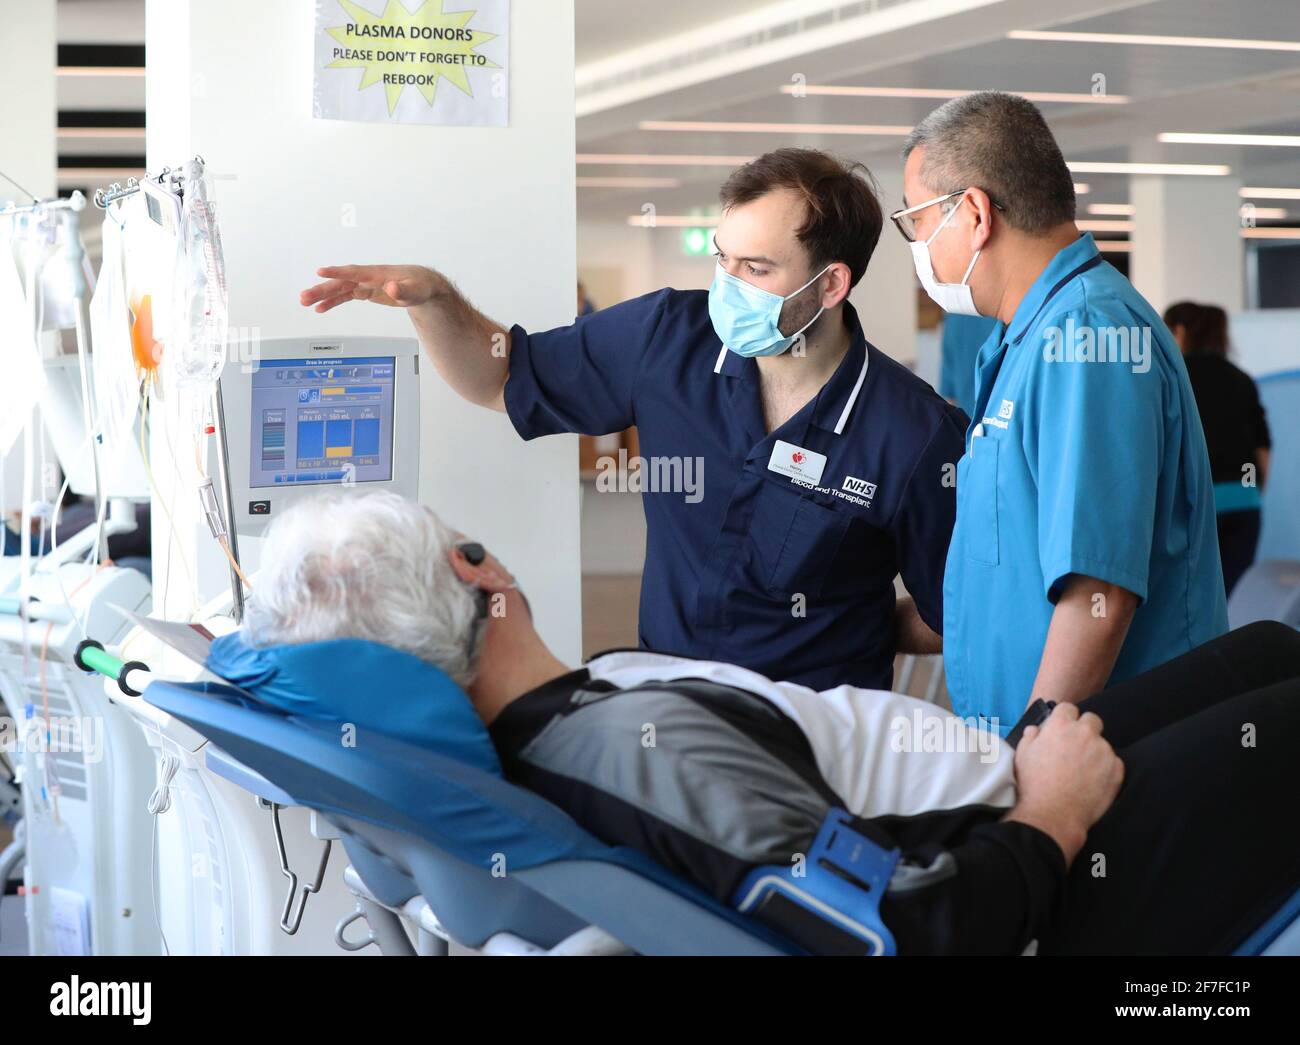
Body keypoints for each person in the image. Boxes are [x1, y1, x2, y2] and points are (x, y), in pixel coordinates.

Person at [235, 490, 1300, 956]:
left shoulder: (574, 722)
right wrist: (1054, 817)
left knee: (1270, 653)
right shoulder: (630, 754)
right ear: (481, 575)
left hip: (980, 789)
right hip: (1029, 878)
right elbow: (900, 926)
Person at [300, 149, 968, 692]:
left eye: (756, 269)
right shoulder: (667, 338)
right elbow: (503, 378)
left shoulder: (912, 435)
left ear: (829, 285)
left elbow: (955, 616)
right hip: (667, 719)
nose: (726, 287)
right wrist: (435, 300)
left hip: (817, 748)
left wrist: (849, 624)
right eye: (722, 259)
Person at [893, 92, 1227, 732]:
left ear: (973, 213)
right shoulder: (1026, 337)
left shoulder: (1085, 335)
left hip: (1105, 757)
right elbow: (1013, 583)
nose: (917, 246)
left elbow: (1097, 594)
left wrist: (1031, 755)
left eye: (915, 220)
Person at [1164, 301, 1271, 597]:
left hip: (1194, 503)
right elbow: (1262, 450)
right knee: (1224, 598)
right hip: (1244, 503)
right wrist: (1250, 493)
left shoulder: (1174, 375)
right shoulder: (1241, 378)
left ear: (1180, 331)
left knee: (1189, 600)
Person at [938, 313, 998, 418]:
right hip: (998, 419)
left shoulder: (953, 313)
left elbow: (948, 397)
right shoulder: (1005, 314)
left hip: (966, 422)